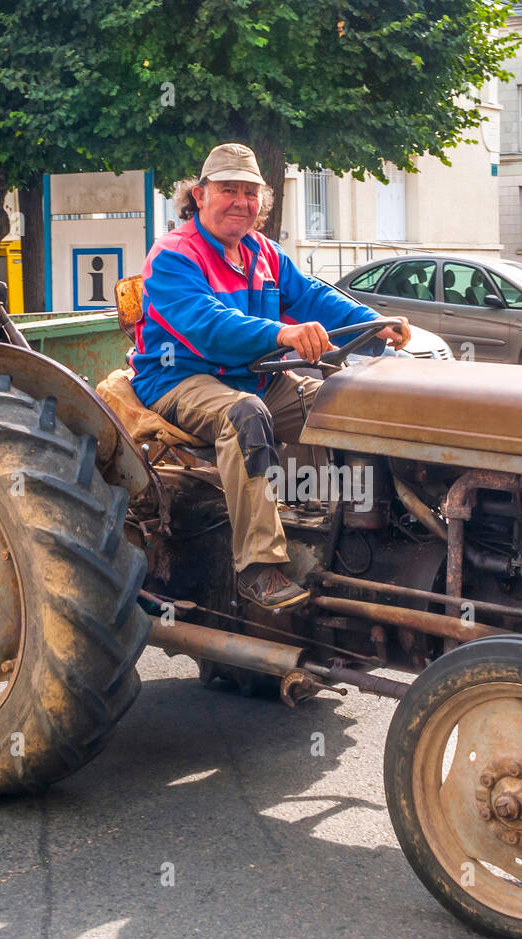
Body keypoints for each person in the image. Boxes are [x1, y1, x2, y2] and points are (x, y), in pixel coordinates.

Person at [131, 143, 408, 610]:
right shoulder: (174, 255)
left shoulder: (262, 252)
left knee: (344, 401)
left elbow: (312, 296)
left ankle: (372, 525)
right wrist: (282, 333)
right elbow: (209, 328)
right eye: (228, 190)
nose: (240, 201)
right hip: (180, 378)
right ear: (200, 195)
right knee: (244, 414)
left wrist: (373, 321)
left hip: (254, 375)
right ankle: (258, 567)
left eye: (250, 192)